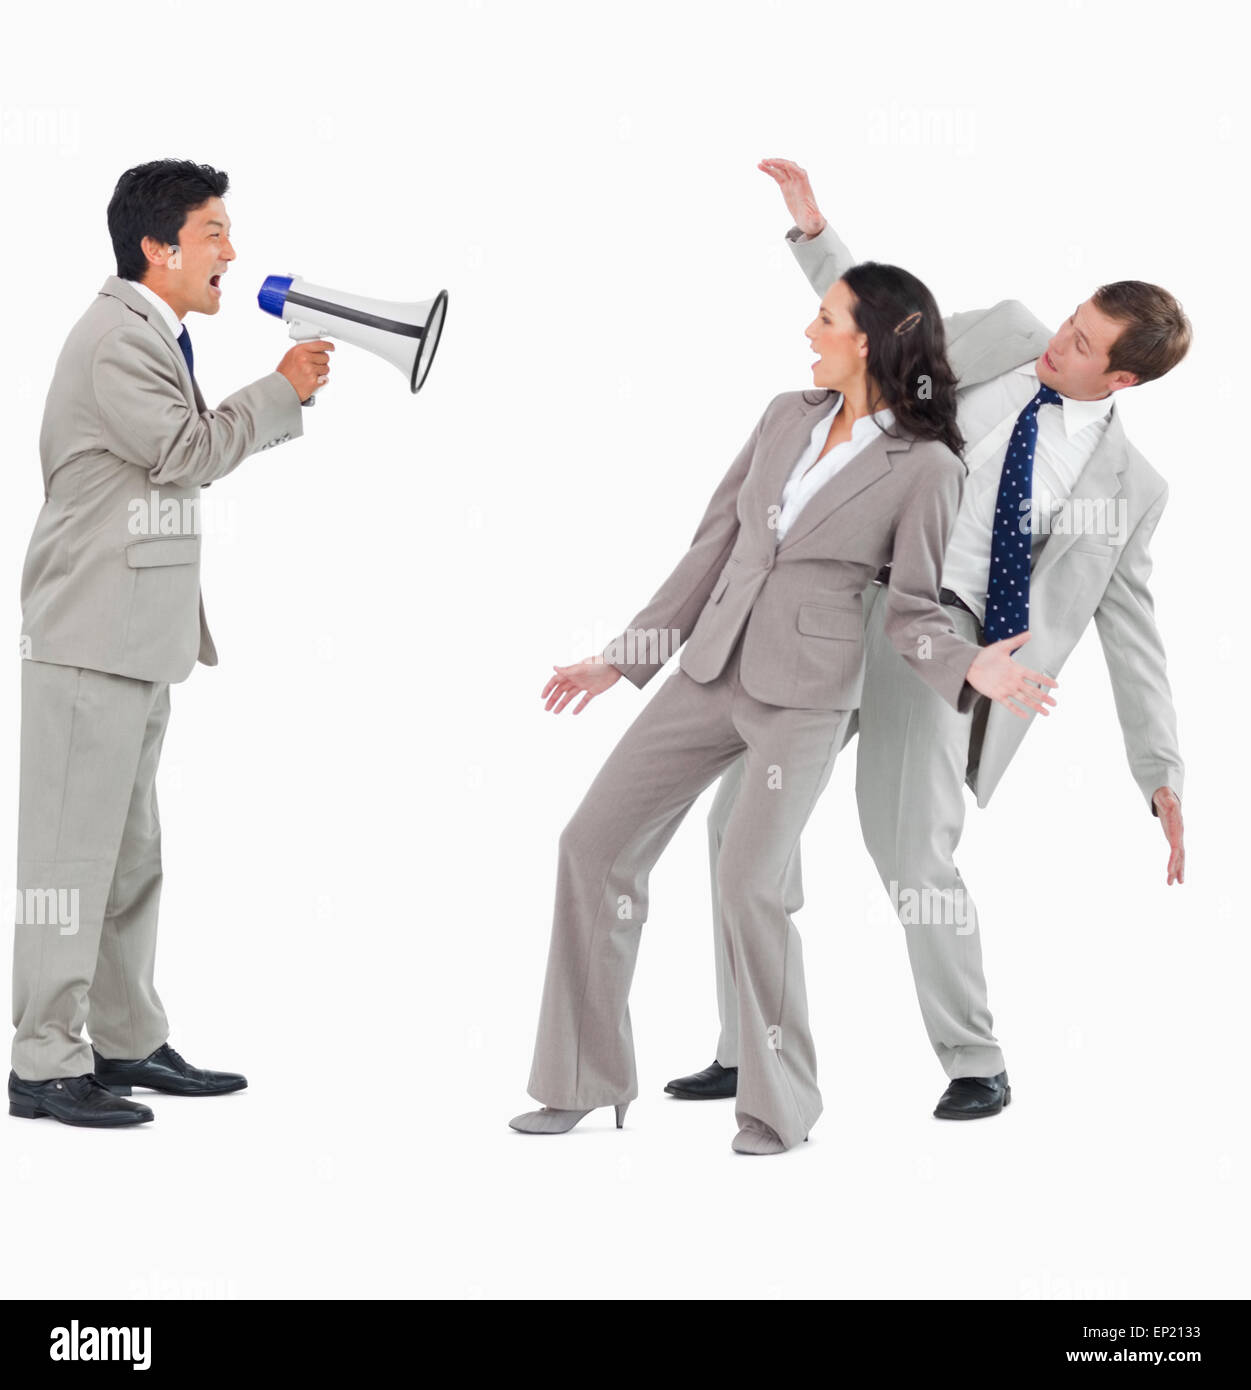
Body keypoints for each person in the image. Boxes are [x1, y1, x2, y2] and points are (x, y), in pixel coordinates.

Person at [665, 158, 1189, 1121]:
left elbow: (1134, 634)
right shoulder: (1004, 335)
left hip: (943, 640)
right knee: (736, 819)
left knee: (913, 856)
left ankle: (973, 1056)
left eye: (1080, 348)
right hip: (837, 594)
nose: (1054, 347)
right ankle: (746, 1050)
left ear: (1120, 378)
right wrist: (815, 235)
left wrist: (1158, 771)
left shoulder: (1126, 488)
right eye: (1066, 322)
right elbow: (883, 332)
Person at [510, 260, 1056, 1154]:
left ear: (874, 341)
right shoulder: (780, 417)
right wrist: (623, 657)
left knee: (746, 882)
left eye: (826, 319)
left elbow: (914, 608)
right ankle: (580, 1077)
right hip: (709, 667)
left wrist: (972, 669)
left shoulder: (924, 466)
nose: (810, 333)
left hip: (804, 695)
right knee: (592, 844)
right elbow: (710, 547)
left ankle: (776, 1104)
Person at [9, 159, 333, 1128]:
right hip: (88, 640)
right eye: (214, 232)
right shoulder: (118, 339)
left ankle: (123, 1037)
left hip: (134, 642)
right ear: (159, 247)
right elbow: (186, 454)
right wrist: (278, 392)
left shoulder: (154, 334)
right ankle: (40, 1060)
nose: (231, 250)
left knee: (128, 858)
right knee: (67, 867)